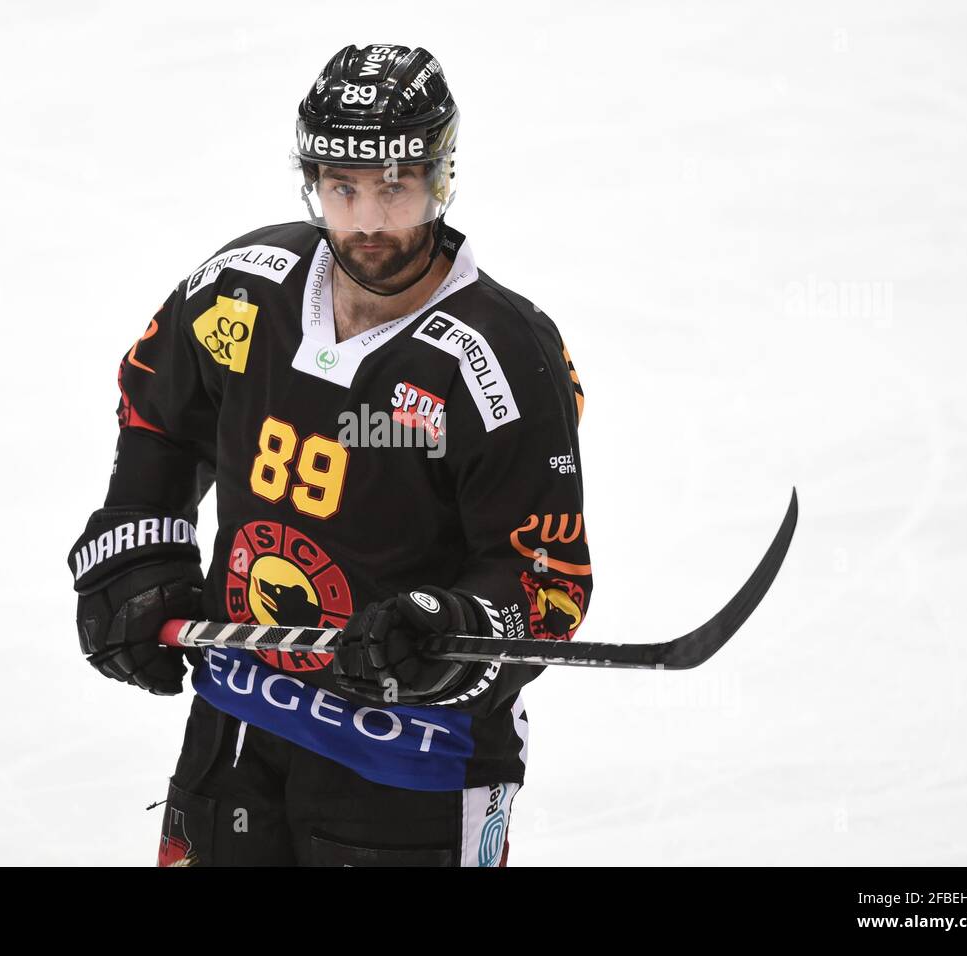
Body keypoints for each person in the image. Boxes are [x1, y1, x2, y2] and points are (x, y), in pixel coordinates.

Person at [67, 43, 592, 867]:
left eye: (396, 186)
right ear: (311, 177)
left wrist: (453, 631)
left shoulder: (500, 358)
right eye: (343, 187)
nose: (371, 221)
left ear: (439, 177)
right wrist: (140, 533)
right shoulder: (242, 288)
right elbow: (157, 408)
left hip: (411, 765)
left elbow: (547, 578)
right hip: (236, 722)